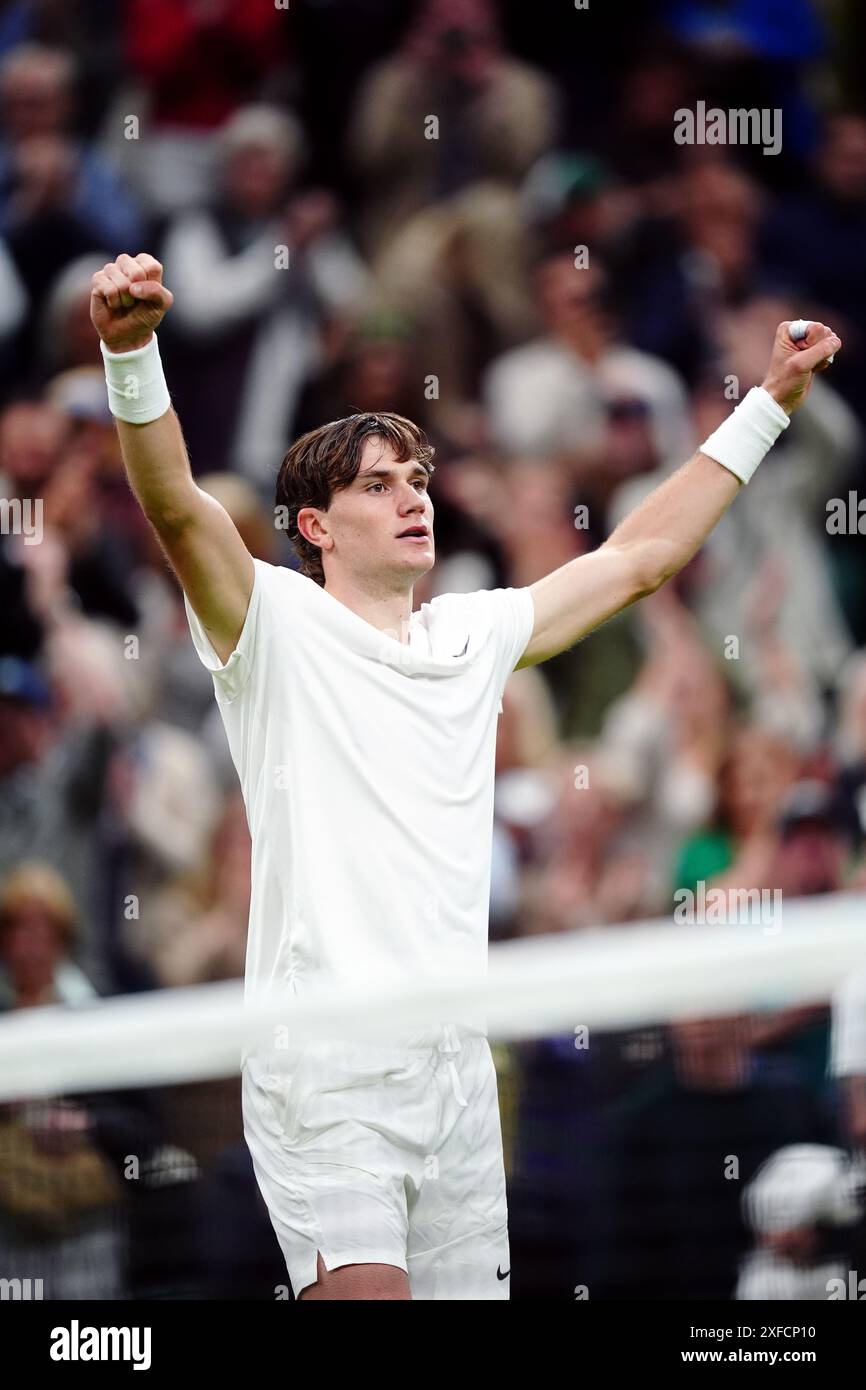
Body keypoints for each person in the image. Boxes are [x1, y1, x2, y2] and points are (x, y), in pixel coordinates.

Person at [90, 249, 839, 1300]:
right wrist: (131, 351)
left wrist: (764, 404)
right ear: (314, 527)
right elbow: (174, 504)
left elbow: (634, 560)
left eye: (419, 482)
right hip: (326, 1067)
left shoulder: (473, 634)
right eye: (377, 485)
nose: (413, 500)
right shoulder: (272, 623)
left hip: (456, 1072)